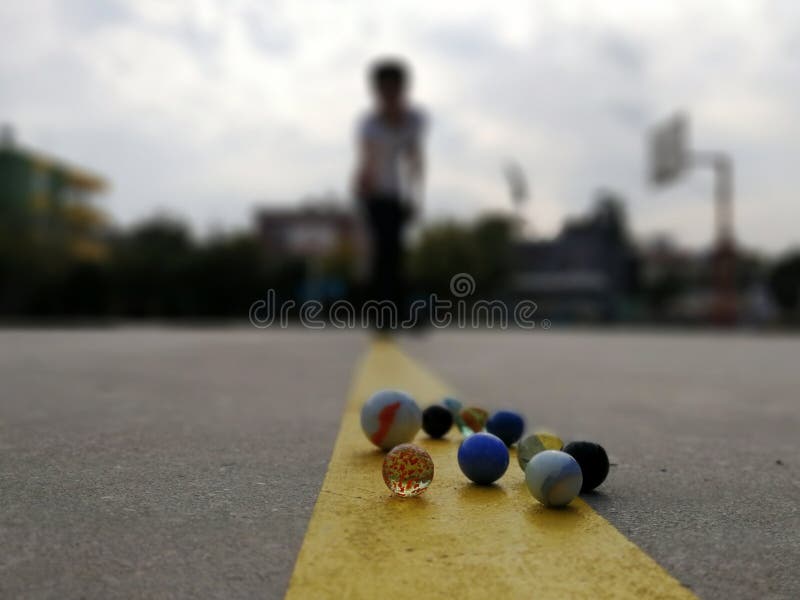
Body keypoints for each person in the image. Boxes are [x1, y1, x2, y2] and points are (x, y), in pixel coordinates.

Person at [354, 58, 426, 329]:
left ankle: (398, 311)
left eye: (394, 89)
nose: (389, 96)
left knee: (397, 253)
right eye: (383, 91)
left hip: (398, 195)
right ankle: (381, 314)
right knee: (382, 253)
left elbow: (414, 156)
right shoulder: (369, 123)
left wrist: (415, 196)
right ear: (377, 92)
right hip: (373, 193)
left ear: (403, 90)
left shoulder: (415, 120)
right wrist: (367, 186)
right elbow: (367, 157)